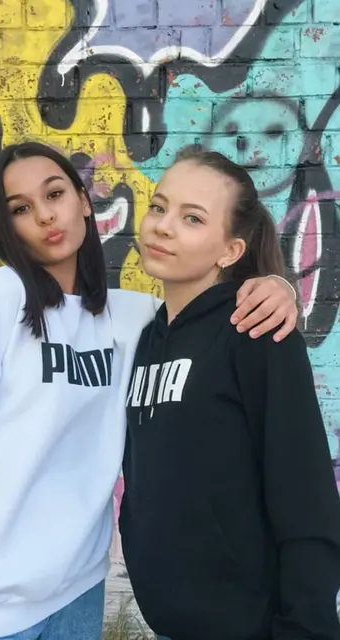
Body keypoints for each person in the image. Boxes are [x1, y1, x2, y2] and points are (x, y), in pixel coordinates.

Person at [0, 141, 297, 640]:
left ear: (83, 201)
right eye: (20, 209)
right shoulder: (1, 299)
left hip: (79, 595)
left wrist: (279, 287)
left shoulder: (132, 319)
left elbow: (201, 313)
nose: (45, 216)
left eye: (54, 194)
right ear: (6, 227)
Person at [120, 148, 340, 640]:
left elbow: (305, 497)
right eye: (159, 207)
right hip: (171, 624)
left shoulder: (256, 333)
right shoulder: (144, 336)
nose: (163, 227)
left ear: (230, 251)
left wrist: (306, 628)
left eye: (192, 218)